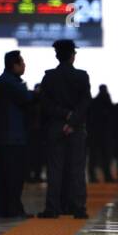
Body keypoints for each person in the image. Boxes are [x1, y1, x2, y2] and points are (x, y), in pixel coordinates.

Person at [37, 38, 91, 219]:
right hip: (76, 129)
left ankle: (53, 208)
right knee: (77, 169)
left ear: (57, 55)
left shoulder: (49, 77)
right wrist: (73, 121)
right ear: (72, 56)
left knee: (55, 169)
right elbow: (85, 103)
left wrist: (63, 116)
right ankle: (78, 208)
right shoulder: (82, 76)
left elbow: (45, 104)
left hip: (55, 128)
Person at [0, 51, 35, 218]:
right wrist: (38, 93)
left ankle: (6, 210)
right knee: (13, 175)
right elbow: (26, 98)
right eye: (22, 62)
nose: (24, 65)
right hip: (12, 137)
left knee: (6, 174)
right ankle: (13, 210)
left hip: (7, 137)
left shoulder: (6, 81)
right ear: (14, 65)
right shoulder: (8, 82)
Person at [87, 85, 114, 182]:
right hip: (104, 134)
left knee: (93, 157)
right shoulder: (107, 102)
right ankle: (107, 176)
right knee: (105, 156)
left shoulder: (94, 102)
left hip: (94, 134)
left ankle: (92, 176)